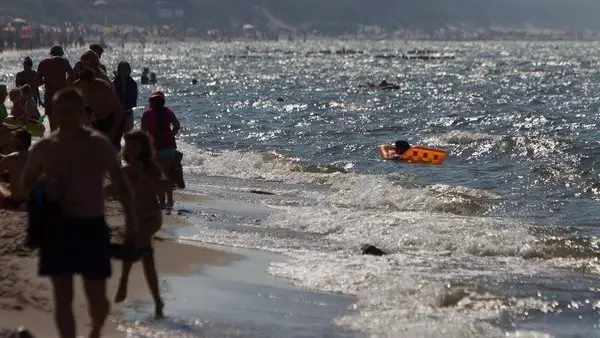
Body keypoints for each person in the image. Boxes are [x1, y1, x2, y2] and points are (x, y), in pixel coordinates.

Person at [20, 87, 138, 338]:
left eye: (70, 111)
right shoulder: (45, 147)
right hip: (56, 228)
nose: (65, 117)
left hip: (91, 226)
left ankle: (95, 331)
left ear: (82, 111)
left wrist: (132, 225)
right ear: (53, 111)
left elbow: (121, 185)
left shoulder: (98, 144)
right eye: (60, 111)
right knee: (63, 298)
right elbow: (26, 182)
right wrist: (43, 188)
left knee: (97, 300)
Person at [108, 131, 167, 318]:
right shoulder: (123, 171)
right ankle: (157, 300)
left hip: (151, 217)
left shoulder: (152, 168)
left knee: (136, 239)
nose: (130, 149)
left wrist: (143, 176)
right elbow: (109, 190)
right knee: (145, 255)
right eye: (128, 145)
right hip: (133, 220)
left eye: (135, 146)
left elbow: (163, 187)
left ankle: (124, 280)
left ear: (143, 148)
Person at [141, 92, 180, 211]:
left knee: (157, 176)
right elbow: (177, 125)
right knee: (167, 174)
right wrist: (170, 135)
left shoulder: (147, 114)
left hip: (155, 147)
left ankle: (162, 203)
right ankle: (170, 200)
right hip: (169, 147)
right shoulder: (168, 112)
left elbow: (143, 132)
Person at [72, 68, 123, 149]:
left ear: (94, 80)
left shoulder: (104, 87)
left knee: (112, 150)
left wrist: (113, 129)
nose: (88, 88)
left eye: (90, 85)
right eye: (84, 84)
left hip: (109, 119)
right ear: (80, 81)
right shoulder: (75, 87)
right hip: (92, 122)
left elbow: (118, 110)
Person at [36, 45, 74, 131]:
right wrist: (67, 85)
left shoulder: (43, 62)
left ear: (51, 53)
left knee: (52, 123)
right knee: (64, 122)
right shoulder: (64, 61)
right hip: (62, 94)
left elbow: (37, 82)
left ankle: (54, 141)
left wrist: (47, 79)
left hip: (49, 94)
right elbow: (72, 76)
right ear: (61, 53)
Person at [0, 129, 32, 209]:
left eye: (13, 139)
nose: (11, 141)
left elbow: (11, 159)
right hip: (33, 202)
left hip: (15, 203)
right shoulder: (36, 156)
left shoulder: (9, 158)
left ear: (19, 141)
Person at [113, 61, 138, 136]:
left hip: (128, 112)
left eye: (125, 69)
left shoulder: (132, 83)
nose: (123, 72)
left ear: (129, 70)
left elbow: (133, 100)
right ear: (118, 70)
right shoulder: (114, 82)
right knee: (116, 135)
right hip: (116, 113)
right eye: (122, 69)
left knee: (128, 135)